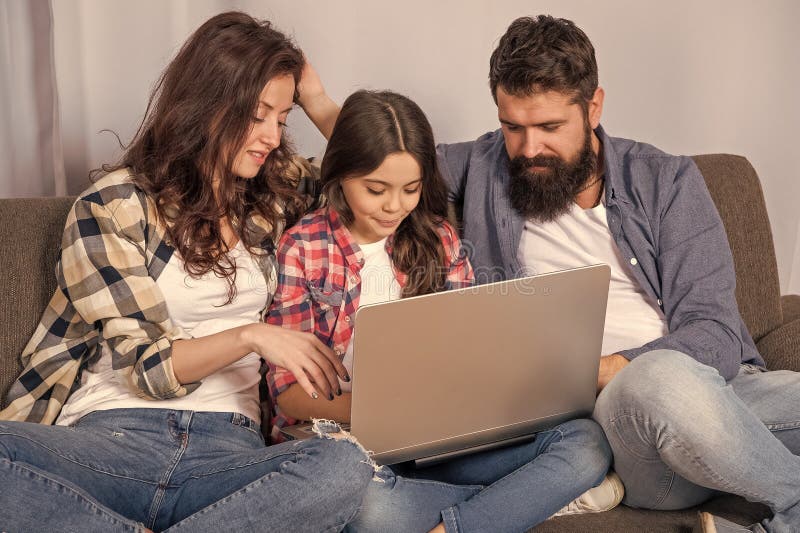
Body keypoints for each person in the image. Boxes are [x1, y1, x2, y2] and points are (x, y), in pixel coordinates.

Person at [0, 12, 374, 532]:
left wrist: (317, 99)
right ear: (209, 103)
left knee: (344, 465)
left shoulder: (274, 198)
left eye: (282, 120)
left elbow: (380, 177)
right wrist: (251, 336)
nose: (272, 137)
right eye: (258, 115)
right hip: (113, 439)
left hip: (228, 454)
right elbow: (151, 371)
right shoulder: (113, 206)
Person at [432, 15, 798, 533]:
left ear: (593, 107)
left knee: (669, 376)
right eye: (513, 127)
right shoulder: (485, 165)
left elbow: (715, 334)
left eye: (550, 127)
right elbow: (380, 158)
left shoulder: (665, 180)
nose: (529, 148)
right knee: (654, 379)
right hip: (627, 433)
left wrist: (606, 365)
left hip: (718, 396)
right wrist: (318, 101)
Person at [266, 88, 621, 533]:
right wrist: (384, 416)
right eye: (376, 190)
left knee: (585, 443)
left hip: (441, 444)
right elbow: (287, 393)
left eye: (410, 189)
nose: (394, 206)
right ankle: (519, 504)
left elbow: (469, 354)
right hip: (353, 448)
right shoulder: (302, 247)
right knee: (366, 508)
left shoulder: (439, 239)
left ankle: (464, 521)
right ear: (340, 176)